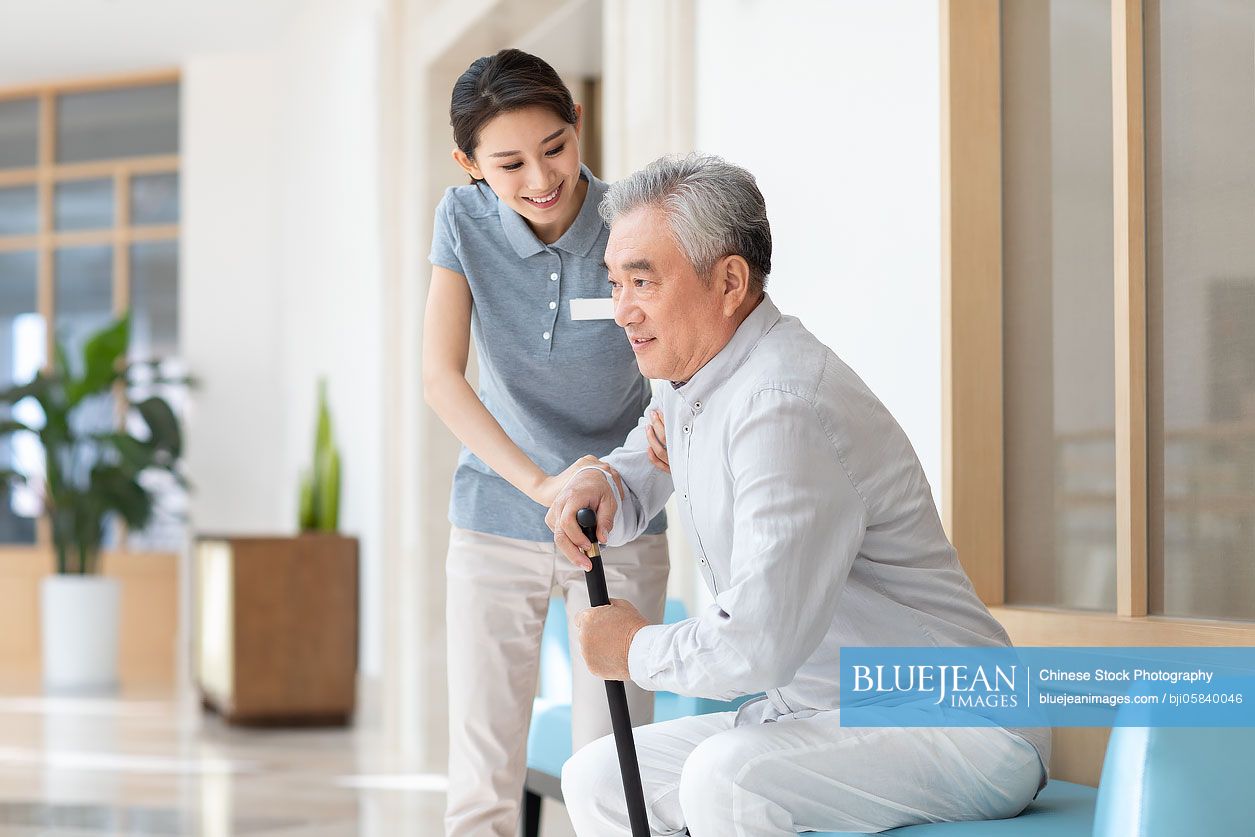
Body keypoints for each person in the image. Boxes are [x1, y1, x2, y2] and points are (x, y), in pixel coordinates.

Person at [546, 153, 1051, 836]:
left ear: (728, 281)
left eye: (641, 280)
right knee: (597, 777)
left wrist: (634, 647)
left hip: (955, 722)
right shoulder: (700, 373)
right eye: (614, 282)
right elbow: (653, 445)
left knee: (724, 775)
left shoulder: (782, 401)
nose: (622, 309)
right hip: (818, 713)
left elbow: (756, 645)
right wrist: (602, 478)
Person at [422, 49, 670, 837]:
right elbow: (441, 377)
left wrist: (606, 480)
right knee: (482, 777)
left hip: (620, 521)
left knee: (616, 769)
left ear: (578, 124)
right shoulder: (460, 221)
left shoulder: (636, 221)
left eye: (555, 147)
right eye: (509, 162)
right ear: (468, 164)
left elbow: (674, 371)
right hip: (496, 514)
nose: (540, 178)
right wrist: (542, 486)